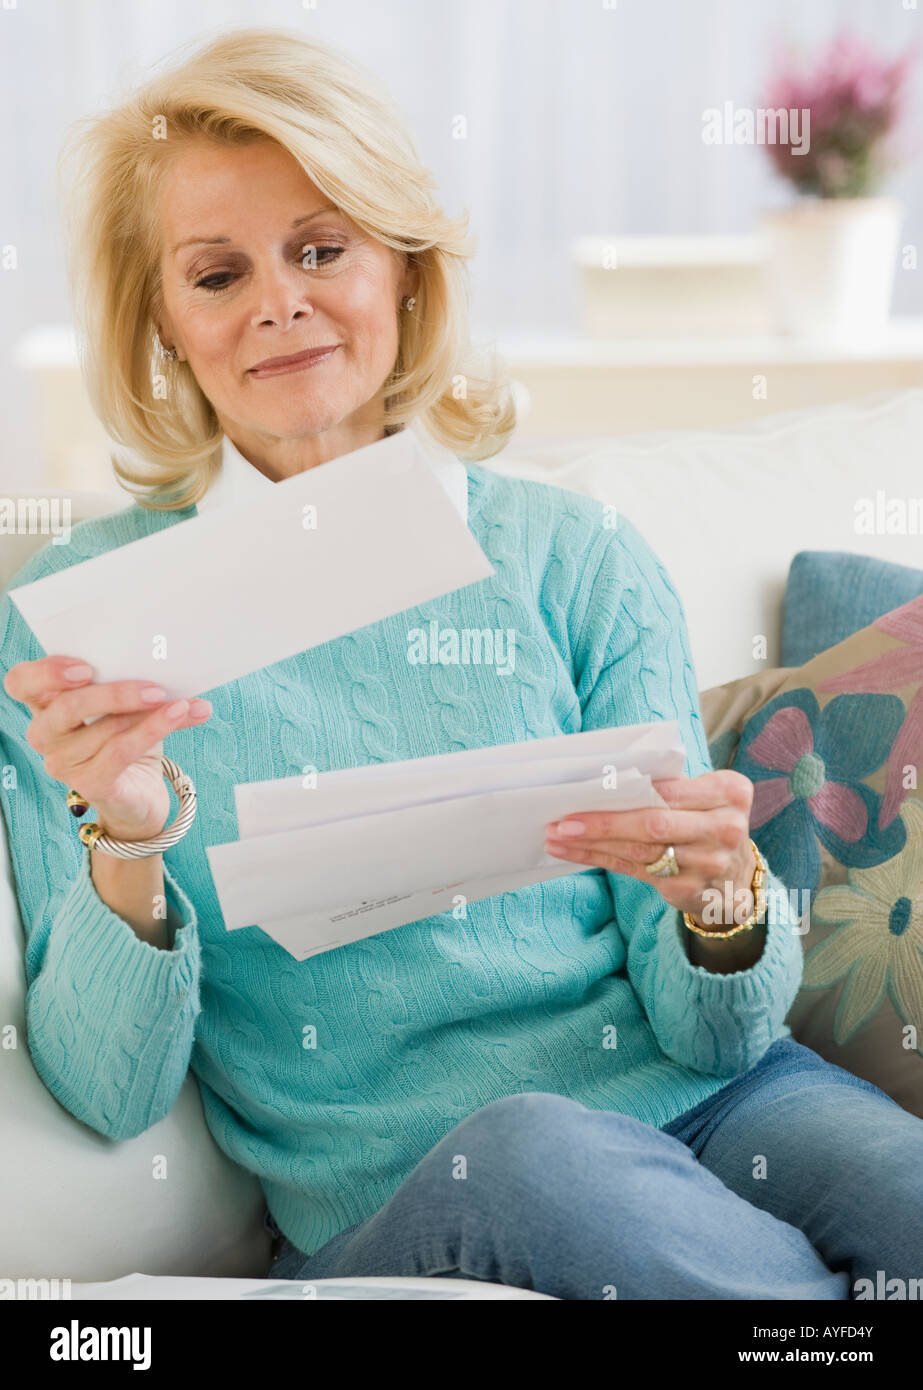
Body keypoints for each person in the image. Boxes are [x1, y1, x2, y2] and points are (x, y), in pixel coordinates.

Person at [1, 28, 920, 1302]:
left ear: (404, 273)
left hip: (725, 1102)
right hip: (426, 1181)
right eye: (217, 274)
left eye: (321, 249)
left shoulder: (573, 554)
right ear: (161, 319)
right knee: (535, 1149)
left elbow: (719, 1030)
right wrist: (131, 840)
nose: (278, 300)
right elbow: (107, 1088)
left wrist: (718, 908)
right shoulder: (80, 622)